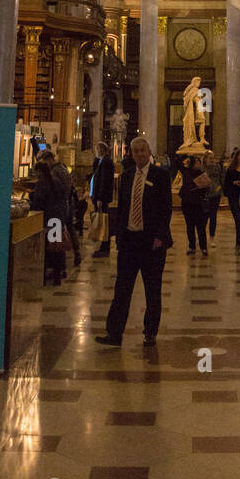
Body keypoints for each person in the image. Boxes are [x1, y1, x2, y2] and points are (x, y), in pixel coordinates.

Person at [96, 137, 173, 346]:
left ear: (149, 152)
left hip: (151, 244)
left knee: (152, 290)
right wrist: (119, 237)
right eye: (135, 151)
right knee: (122, 289)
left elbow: (166, 208)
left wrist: (160, 236)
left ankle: (150, 331)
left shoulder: (161, 175)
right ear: (131, 153)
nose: (139, 154)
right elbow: (122, 207)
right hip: (129, 242)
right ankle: (114, 333)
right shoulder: (127, 175)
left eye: (142, 150)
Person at [30, 150, 74, 285]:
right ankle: (58, 274)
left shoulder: (44, 183)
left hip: (48, 218)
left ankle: (48, 276)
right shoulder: (55, 180)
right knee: (56, 247)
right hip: (57, 217)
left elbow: (39, 201)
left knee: (48, 248)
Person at [180, 154, 210, 256]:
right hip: (188, 203)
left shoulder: (202, 173)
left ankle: (203, 247)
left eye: (199, 162)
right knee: (190, 227)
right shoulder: (186, 173)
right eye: (197, 162)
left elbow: (206, 189)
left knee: (201, 228)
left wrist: (204, 186)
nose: (199, 164)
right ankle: (192, 246)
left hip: (199, 204)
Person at [90, 141, 115, 257]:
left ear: (101, 150)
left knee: (103, 222)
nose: (95, 151)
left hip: (102, 198)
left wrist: (100, 197)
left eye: (97, 149)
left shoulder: (106, 162)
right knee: (101, 222)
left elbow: (104, 181)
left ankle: (104, 247)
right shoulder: (101, 161)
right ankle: (102, 246)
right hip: (98, 197)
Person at [204, 149, 223, 239]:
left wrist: (220, 190)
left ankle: (212, 236)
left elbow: (221, 179)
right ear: (205, 159)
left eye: (213, 158)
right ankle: (202, 236)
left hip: (215, 194)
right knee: (204, 217)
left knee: (213, 216)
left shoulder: (217, 167)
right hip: (204, 195)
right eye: (210, 158)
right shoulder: (202, 168)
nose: (212, 160)